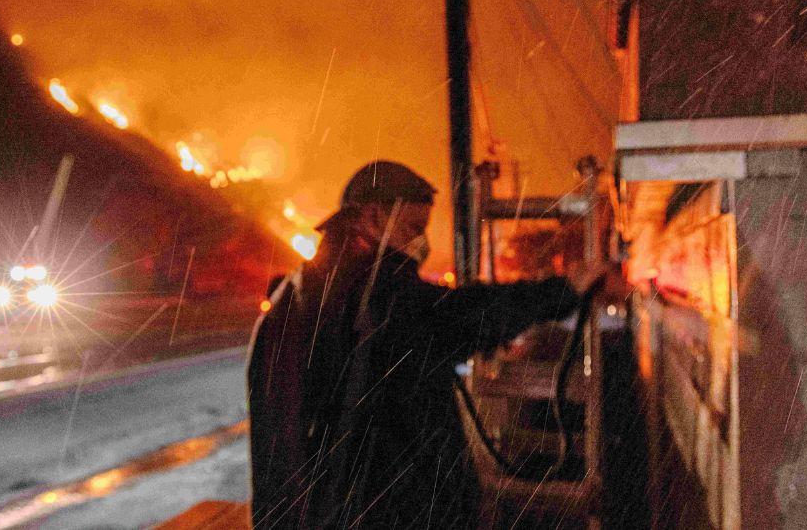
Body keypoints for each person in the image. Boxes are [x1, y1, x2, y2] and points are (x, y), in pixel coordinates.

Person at [247, 160, 606, 529]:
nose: (422, 243)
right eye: (413, 227)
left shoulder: (294, 297)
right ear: (372, 218)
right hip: (380, 513)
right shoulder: (377, 296)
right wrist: (563, 290)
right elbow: (465, 316)